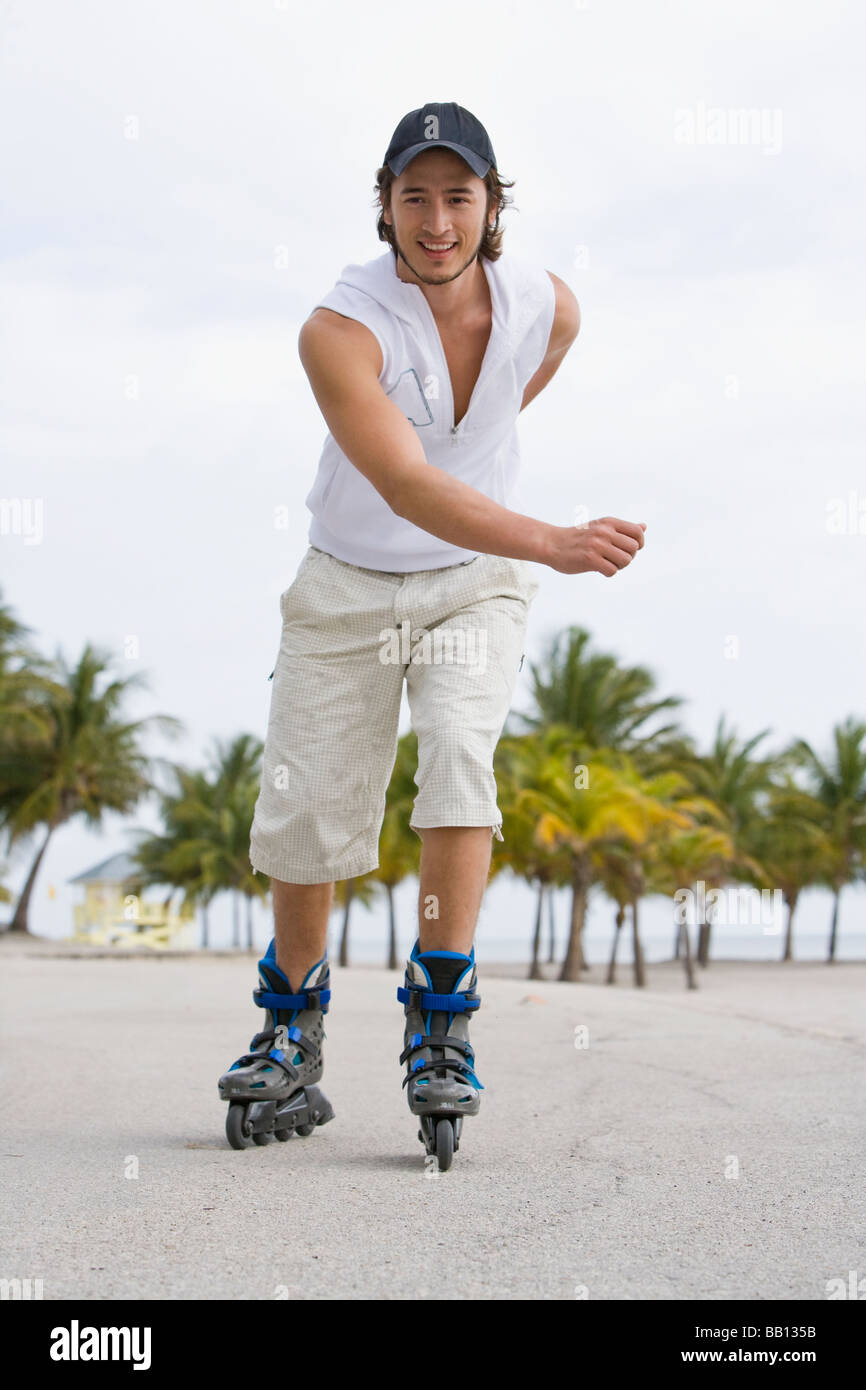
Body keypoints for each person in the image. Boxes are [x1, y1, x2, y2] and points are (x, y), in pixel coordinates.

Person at [218, 102, 646, 1165]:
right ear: (386, 206)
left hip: (470, 586)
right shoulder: (339, 328)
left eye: (460, 196)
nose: (438, 220)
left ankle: (440, 1024)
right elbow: (408, 484)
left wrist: (487, 471)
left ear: (494, 205)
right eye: (415, 197)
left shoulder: (546, 304)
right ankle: (291, 1029)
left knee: (458, 755)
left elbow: (518, 384)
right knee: (308, 802)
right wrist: (549, 539)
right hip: (345, 584)